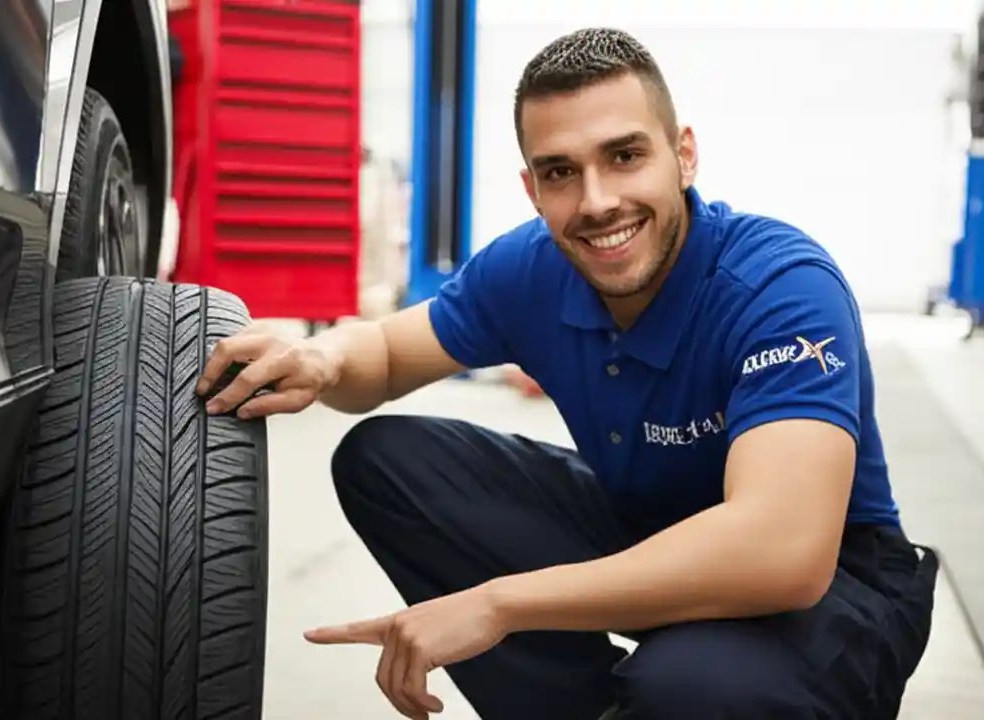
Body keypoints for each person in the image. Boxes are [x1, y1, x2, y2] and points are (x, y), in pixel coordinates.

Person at [197, 27, 938, 720]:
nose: (596, 202)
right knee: (386, 461)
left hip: (833, 586)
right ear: (532, 188)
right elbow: (388, 357)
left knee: (685, 685)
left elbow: (784, 554)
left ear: (683, 155)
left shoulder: (777, 286)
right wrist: (321, 358)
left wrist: (498, 604)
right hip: (650, 523)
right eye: (561, 173)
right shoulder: (536, 267)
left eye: (624, 156)